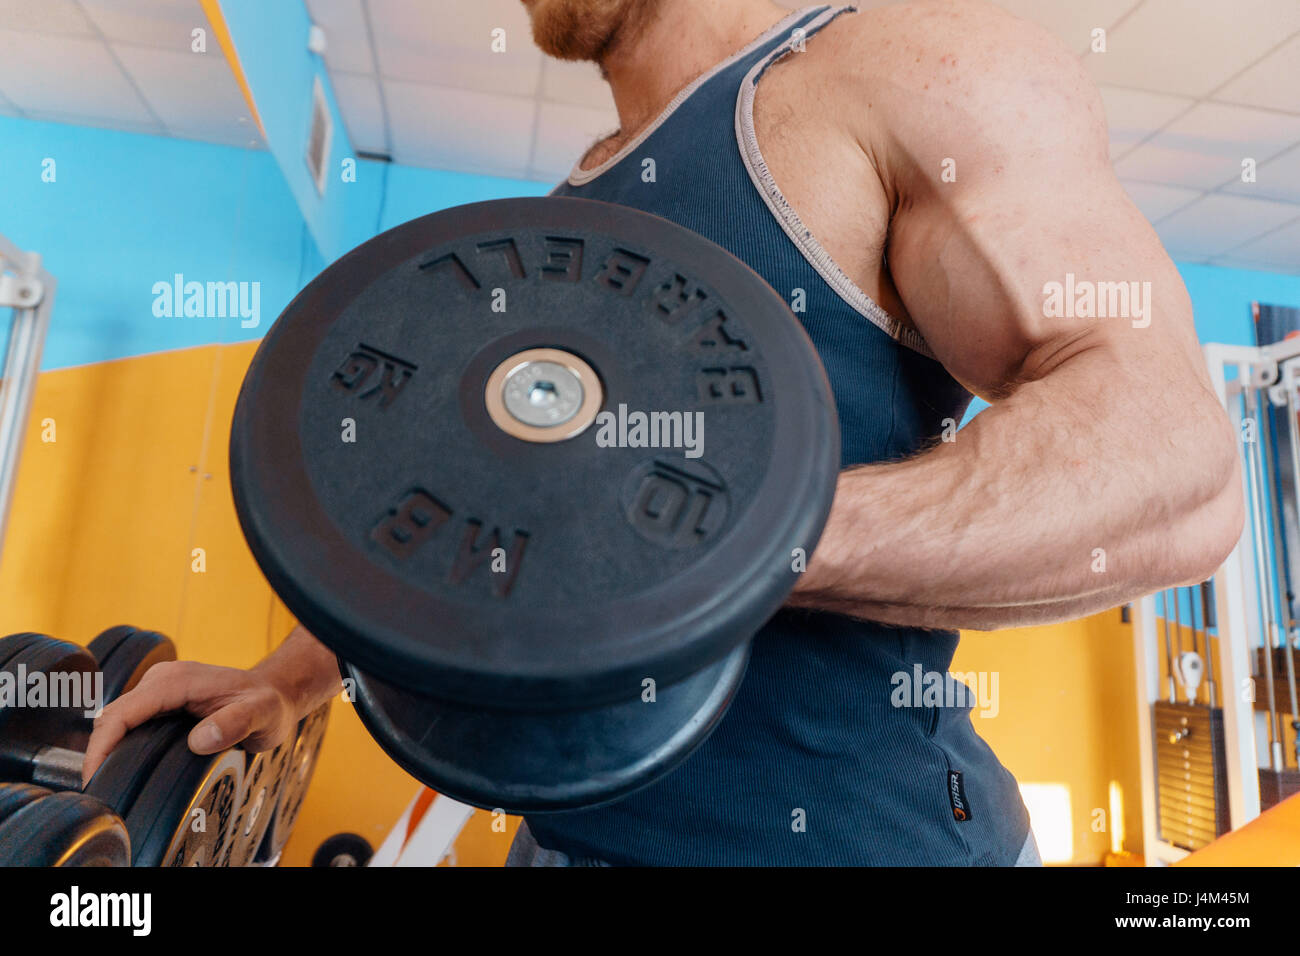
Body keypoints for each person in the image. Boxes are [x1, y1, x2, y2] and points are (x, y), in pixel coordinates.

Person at [83, 0, 1243, 865]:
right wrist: (290, 676)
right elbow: (470, 544)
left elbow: (1171, 462)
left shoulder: (896, 63)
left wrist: (709, 540)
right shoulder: (563, 222)